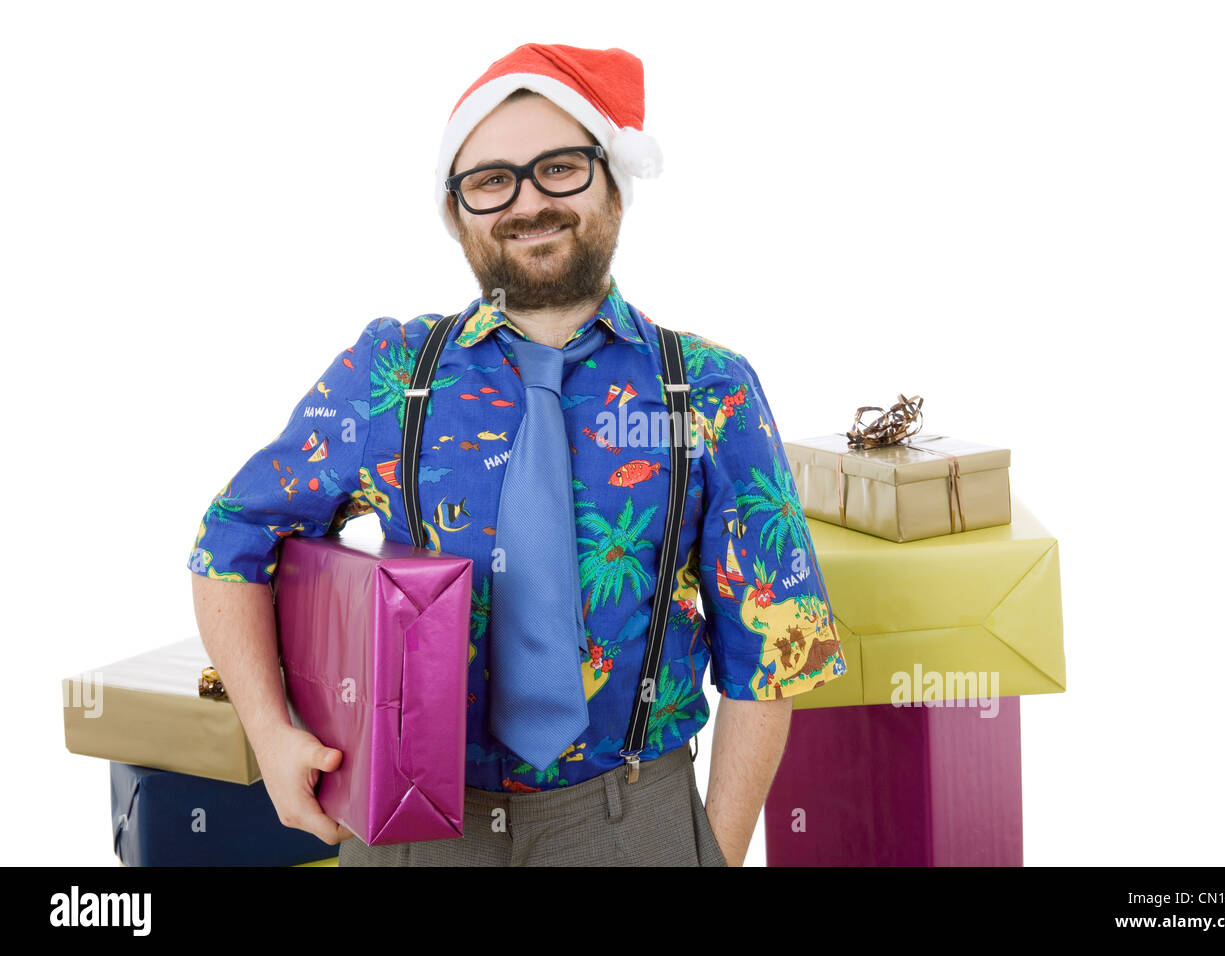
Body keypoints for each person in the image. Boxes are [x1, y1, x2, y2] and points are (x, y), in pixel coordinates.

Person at [189, 42, 847, 867]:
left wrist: (708, 851)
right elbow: (232, 538)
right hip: (411, 822)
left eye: (560, 167)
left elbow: (772, 650)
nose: (528, 201)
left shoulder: (709, 388)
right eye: (492, 180)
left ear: (613, 182)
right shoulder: (390, 371)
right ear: (459, 210)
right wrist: (271, 730)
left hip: (631, 816)